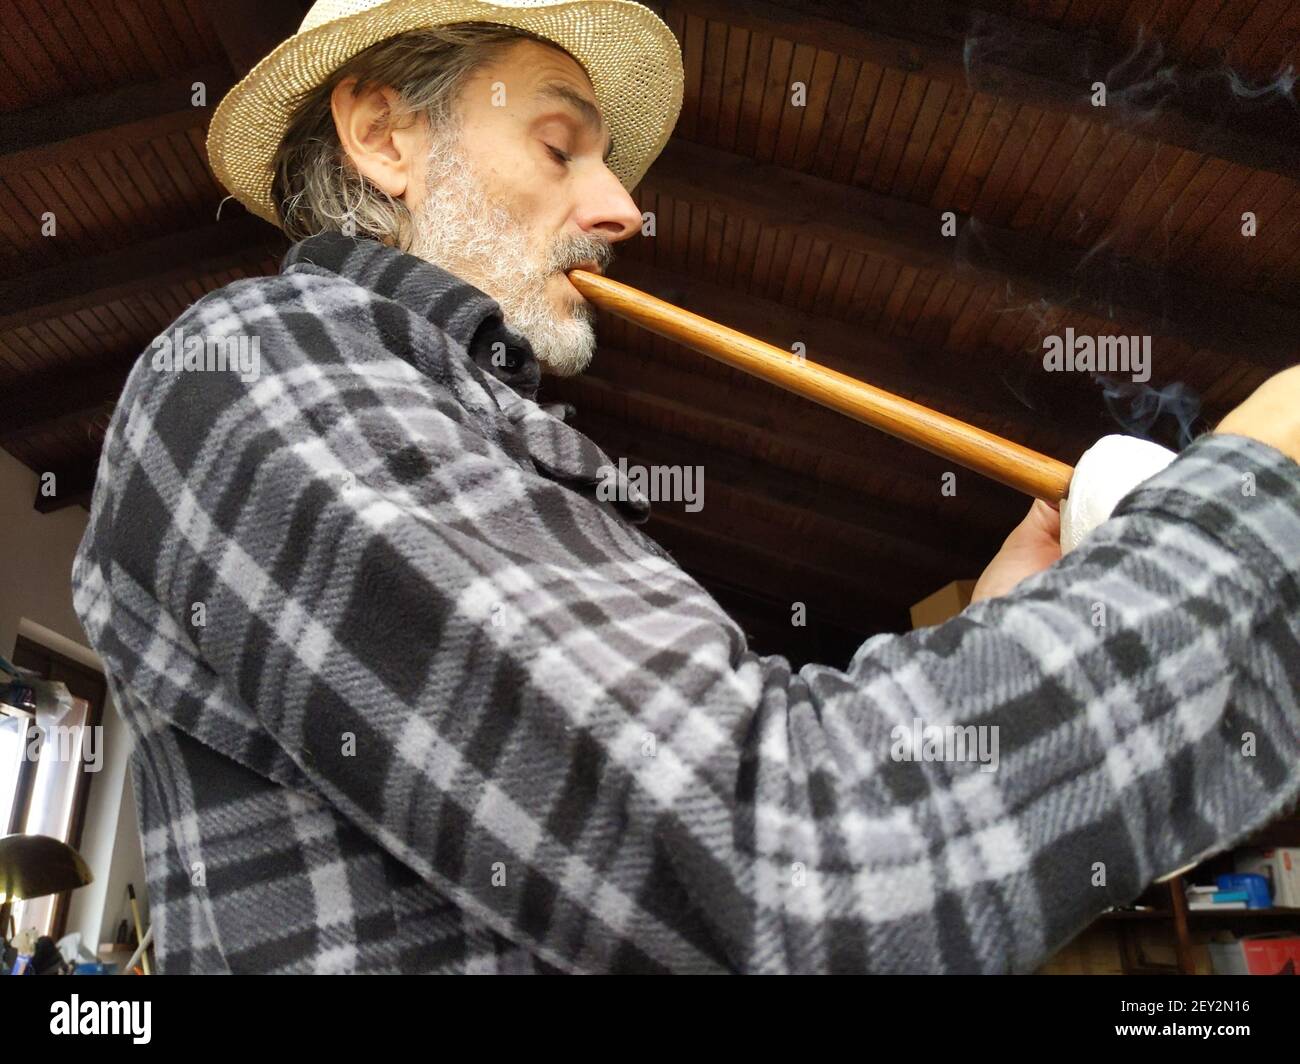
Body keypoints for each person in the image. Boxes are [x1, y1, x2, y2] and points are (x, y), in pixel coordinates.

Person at [71, 1, 1300, 973]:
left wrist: (996, 634)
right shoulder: (265, 362)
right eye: (560, 145)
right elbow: (790, 863)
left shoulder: (459, 433)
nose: (621, 208)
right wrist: (1249, 503)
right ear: (384, 136)